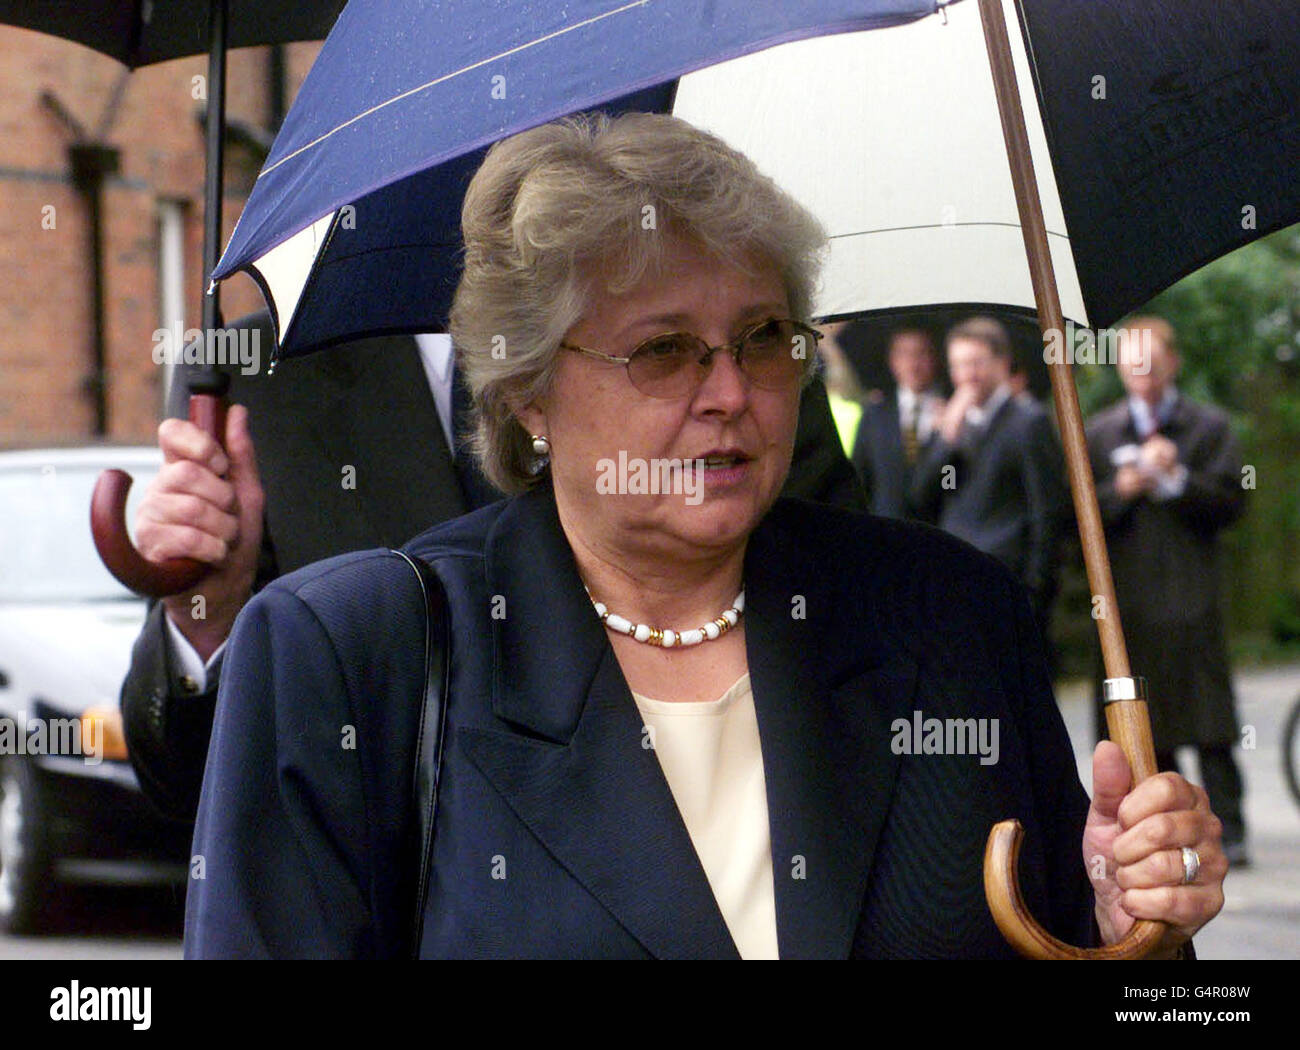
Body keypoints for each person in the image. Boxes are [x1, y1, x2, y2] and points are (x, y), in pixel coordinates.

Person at [186, 113, 1225, 959]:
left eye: (763, 338)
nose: (730, 392)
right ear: (528, 392)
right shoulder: (351, 650)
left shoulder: (948, 619)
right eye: (664, 349)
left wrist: (1122, 927)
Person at [120, 312, 860, 820]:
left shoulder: (741, 355)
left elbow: (848, 651)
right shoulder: (259, 375)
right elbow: (194, 788)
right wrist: (206, 614)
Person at [1086, 316, 1250, 865]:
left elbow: (1232, 503)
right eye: (1133, 363)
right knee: (1146, 716)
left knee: (1209, 717)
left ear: (1173, 363)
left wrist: (1178, 479)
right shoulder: (1100, 432)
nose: (1143, 373)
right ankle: (1155, 827)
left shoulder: (1207, 427)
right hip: (1129, 600)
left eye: (1153, 362)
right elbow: (1076, 515)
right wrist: (1125, 488)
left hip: (1191, 593)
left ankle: (1230, 825)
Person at [910, 316, 1069, 631]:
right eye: (958, 365)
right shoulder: (950, 426)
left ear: (1002, 362)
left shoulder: (1028, 422)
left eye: (976, 363)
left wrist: (1035, 587)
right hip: (953, 581)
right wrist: (945, 441)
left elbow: (1047, 510)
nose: (967, 375)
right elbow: (919, 498)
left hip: (1008, 582)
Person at [850, 327, 944, 521]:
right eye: (904, 354)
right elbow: (859, 477)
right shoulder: (875, 413)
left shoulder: (951, 411)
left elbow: (953, 482)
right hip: (885, 529)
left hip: (939, 528)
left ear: (936, 358)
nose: (913, 363)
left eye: (921, 353)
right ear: (892, 361)